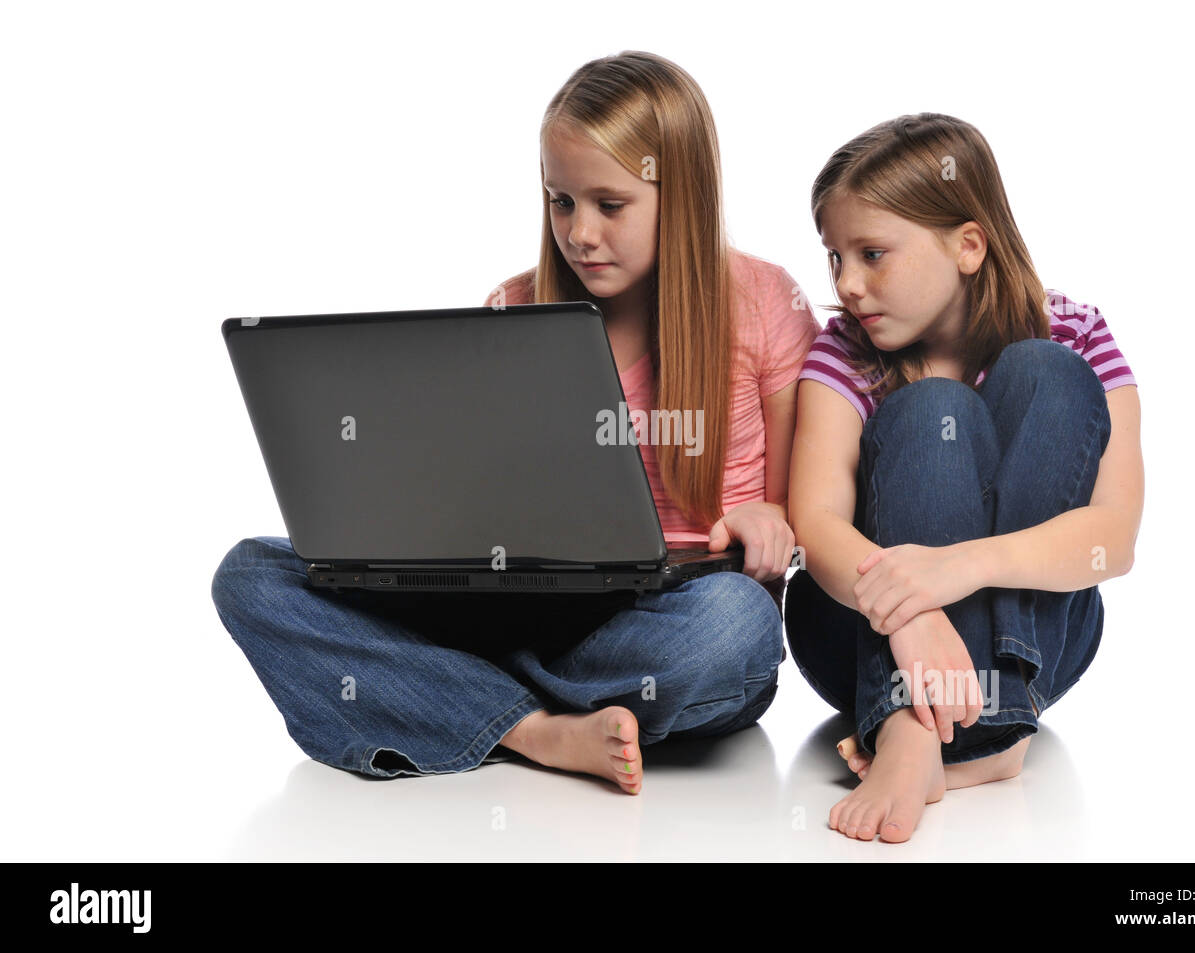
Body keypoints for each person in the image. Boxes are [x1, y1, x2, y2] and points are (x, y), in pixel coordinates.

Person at [211, 51, 819, 794]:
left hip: (674, 612)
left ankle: (446, 694)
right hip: (520, 605)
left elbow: (799, 516)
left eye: (609, 204)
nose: (580, 232)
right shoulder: (514, 306)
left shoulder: (764, 301)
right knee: (251, 573)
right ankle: (537, 730)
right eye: (560, 201)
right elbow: (474, 495)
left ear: (680, 192)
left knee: (735, 627)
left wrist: (772, 522)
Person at [785, 113, 1143, 840]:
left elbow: (1114, 539)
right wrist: (911, 609)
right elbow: (815, 521)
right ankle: (955, 736)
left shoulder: (1076, 331)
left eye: (872, 253)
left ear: (968, 245)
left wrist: (956, 567)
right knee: (933, 409)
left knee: (1049, 372)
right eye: (835, 258)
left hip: (1040, 636)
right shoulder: (843, 354)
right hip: (864, 637)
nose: (848, 284)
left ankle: (938, 735)